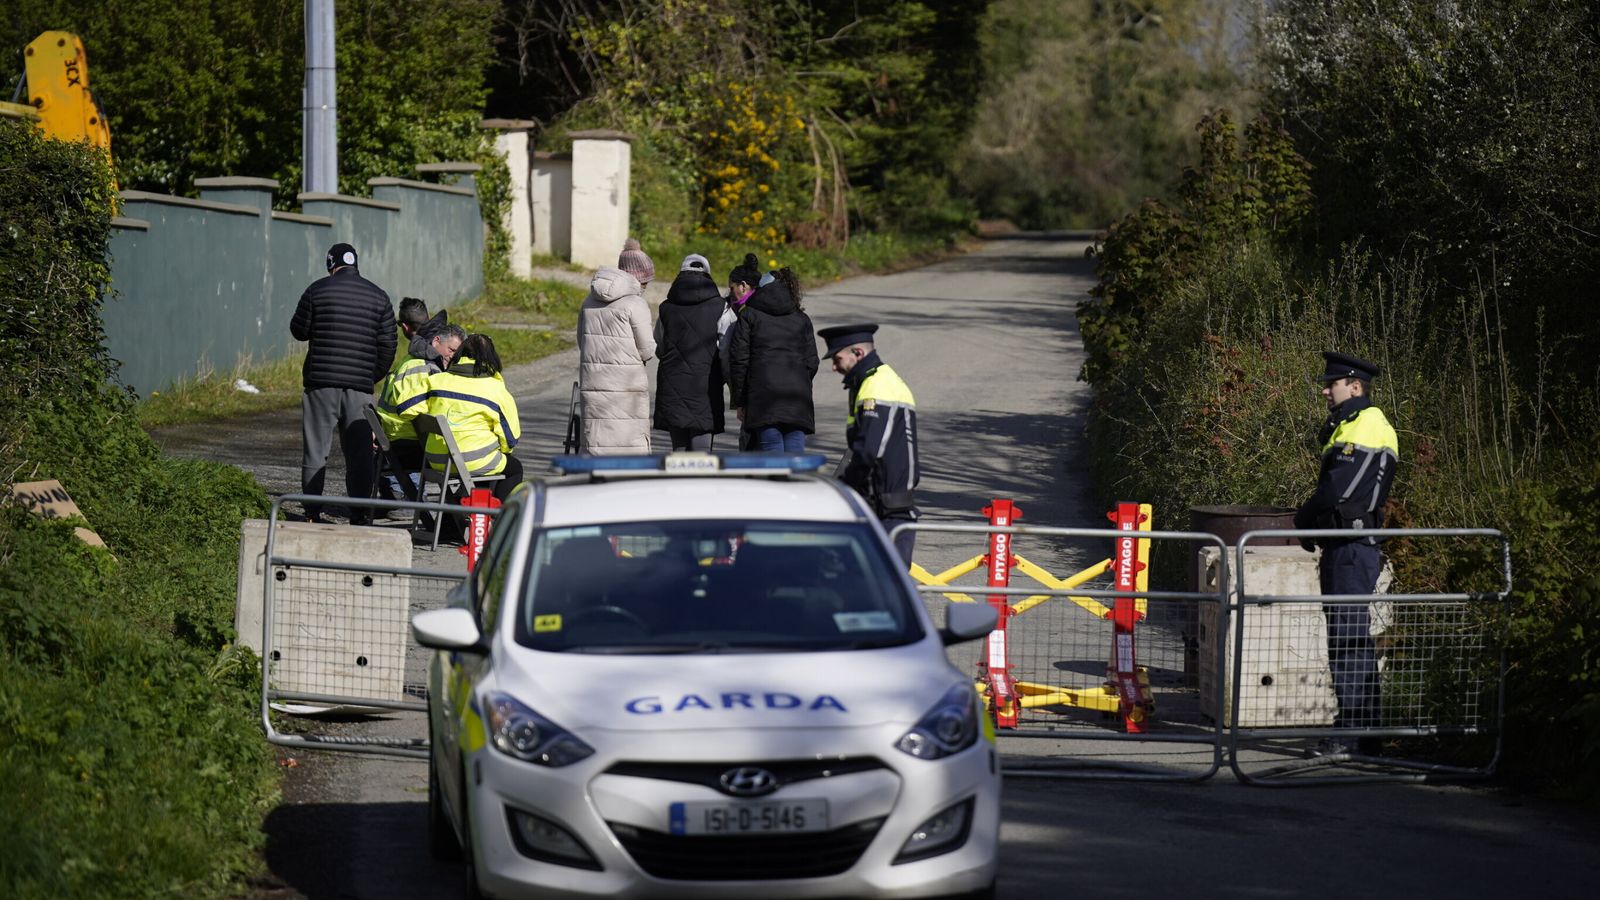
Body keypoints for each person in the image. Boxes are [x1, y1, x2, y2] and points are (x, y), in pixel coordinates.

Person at [1294, 351, 1399, 756]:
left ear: (1355, 386)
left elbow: (1337, 489)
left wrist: (1304, 519)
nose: (1325, 390)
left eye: (1332, 383)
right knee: (1353, 638)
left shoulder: (1367, 423)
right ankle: (1367, 735)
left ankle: (1349, 734)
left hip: (1352, 548)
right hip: (1348, 545)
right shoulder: (1353, 424)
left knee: (1347, 640)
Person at [289, 242, 396, 525]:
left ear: (330, 263)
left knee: (316, 450)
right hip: (359, 389)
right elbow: (388, 346)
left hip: (320, 385)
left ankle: (312, 511)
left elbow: (298, 331)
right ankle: (359, 513)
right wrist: (369, 376)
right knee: (359, 454)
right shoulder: (379, 297)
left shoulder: (316, 290)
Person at [818, 323, 920, 564]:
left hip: (888, 509)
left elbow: (869, 452)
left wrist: (844, 488)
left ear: (858, 353)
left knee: (885, 589)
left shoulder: (878, 386)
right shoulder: (869, 381)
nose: (834, 367)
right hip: (880, 504)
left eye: (837, 358)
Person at [416, 333, 523, 503]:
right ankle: (494, 517)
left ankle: (456, 517)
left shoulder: (436, 381)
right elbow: (511, 439)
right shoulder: (495, 388)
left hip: (436, 459)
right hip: (476, 461)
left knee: (482, 466)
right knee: (513, 468)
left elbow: (411, 411)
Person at [577, 239, 657, 454]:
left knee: (596, 441)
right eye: (646, 283)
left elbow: (581, 340)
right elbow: (647, 348)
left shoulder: (589, 301)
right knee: (628, 445)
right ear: (639, 279)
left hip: (593, 382)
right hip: (627, 387)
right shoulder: (635, 304)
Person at [375, 317, 464, 503]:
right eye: (451, 350)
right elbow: (424, 412)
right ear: (436, 341)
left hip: (394, 435)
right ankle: (457, 506)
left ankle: (453, 506)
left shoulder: (412, 360)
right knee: (466, 456)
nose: (452, 356)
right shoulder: (425, 369)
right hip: (407, 441)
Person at [730, 267, 817, 452]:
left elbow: (739, 361)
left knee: (772, 455)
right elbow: (812, 362)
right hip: (797, 398)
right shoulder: (802, 319)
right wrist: (799, 381)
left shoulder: (749, 315)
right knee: (795, 458)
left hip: (763, 397)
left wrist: (741, 401)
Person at [653, 254, 726, 451]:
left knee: (678, 450)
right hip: (706, 384)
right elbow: (726, 347)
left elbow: (660, 345)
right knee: (702, 452)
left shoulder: (666, 308)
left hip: (673, 382)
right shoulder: (720, 307)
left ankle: (678, 481)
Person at [720, 253, 761, 448]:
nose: (729, 293)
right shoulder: (768, 307)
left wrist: (738, 398)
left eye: (732, 288)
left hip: (751, 390)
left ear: (743, 286)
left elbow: (733, 357)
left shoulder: (744, 314)